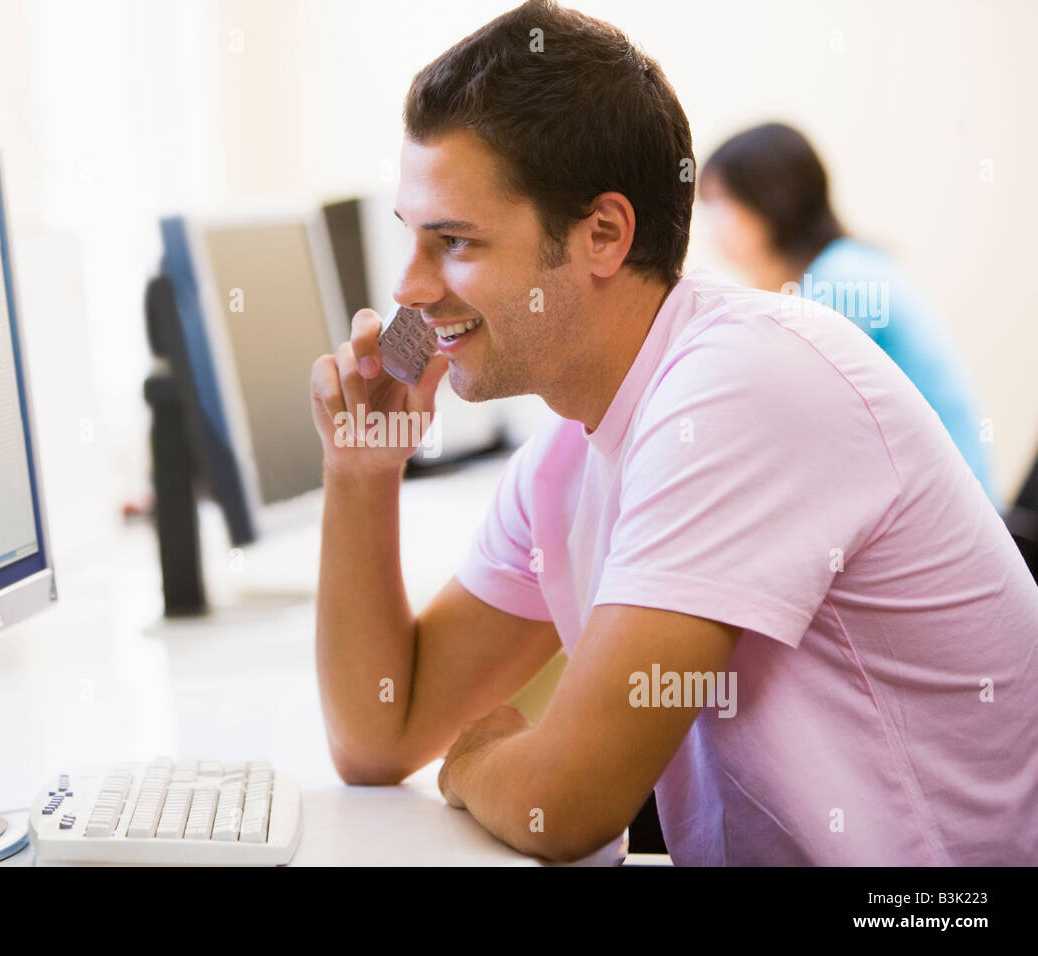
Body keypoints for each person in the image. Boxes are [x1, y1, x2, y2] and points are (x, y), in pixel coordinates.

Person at [309, 0, 1038, 865]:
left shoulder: (739, 387)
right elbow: (381, 732)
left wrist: (476, 761)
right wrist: (362, 471)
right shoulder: (568, 452)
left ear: (604, 236)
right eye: (412, 240)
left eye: (455, 241)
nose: (410, 288)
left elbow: (565, 802)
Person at [700, 122, 998, 506]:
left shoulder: (840, 281)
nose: (713, 228)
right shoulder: (843, 269)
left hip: (949, 518)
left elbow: (795, 425)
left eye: (721, 203)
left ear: (771, 200)